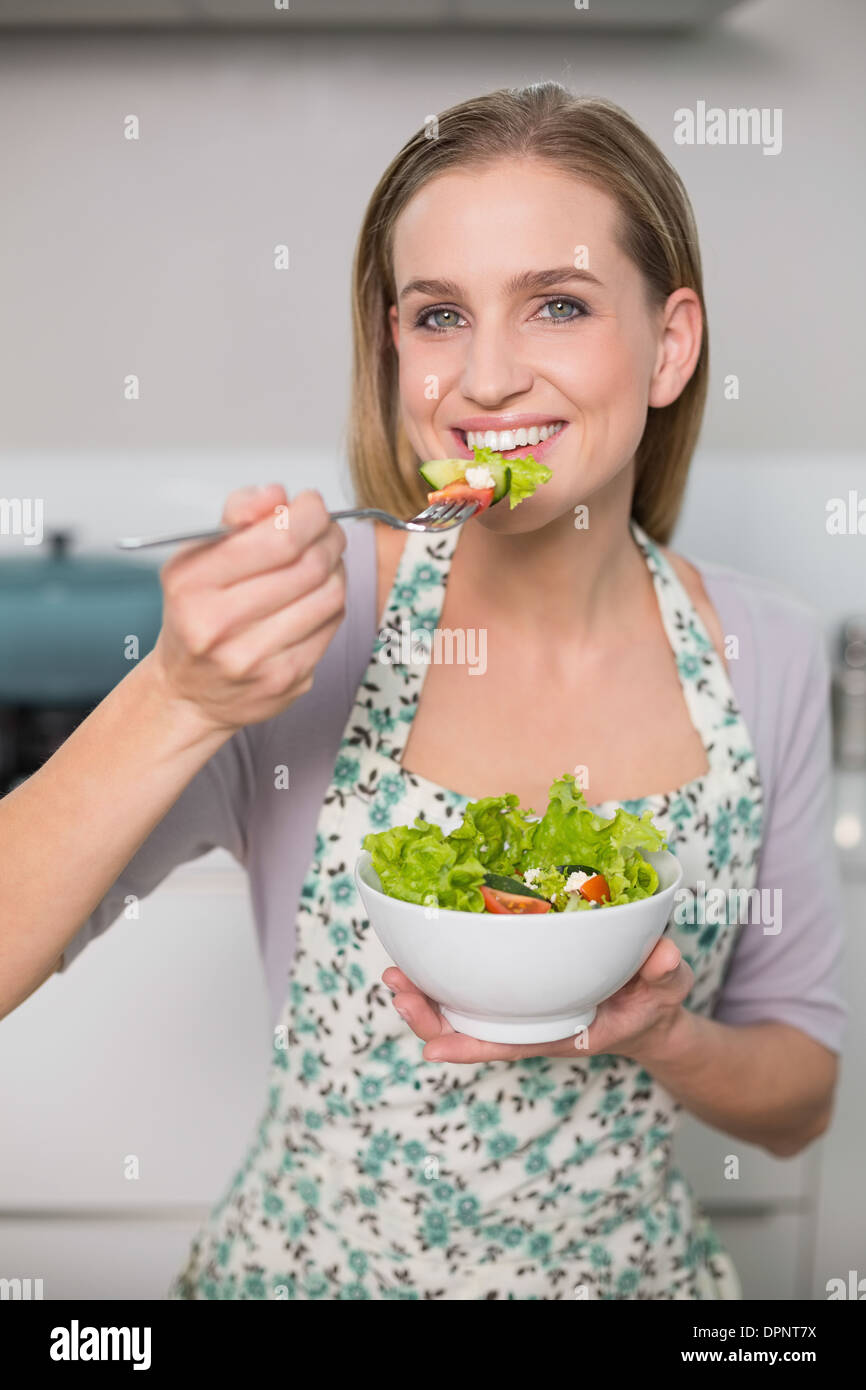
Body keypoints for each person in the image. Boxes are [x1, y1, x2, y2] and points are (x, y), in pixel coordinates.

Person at [0, 84, 845, 1301]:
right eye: (439, 315)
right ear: (392, 347)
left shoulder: (760, 650)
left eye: (556, 304)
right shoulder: (313, 621)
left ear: (668, 345)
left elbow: (797, 1096)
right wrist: (178, 696)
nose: (487, 378)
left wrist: (661, 1033)